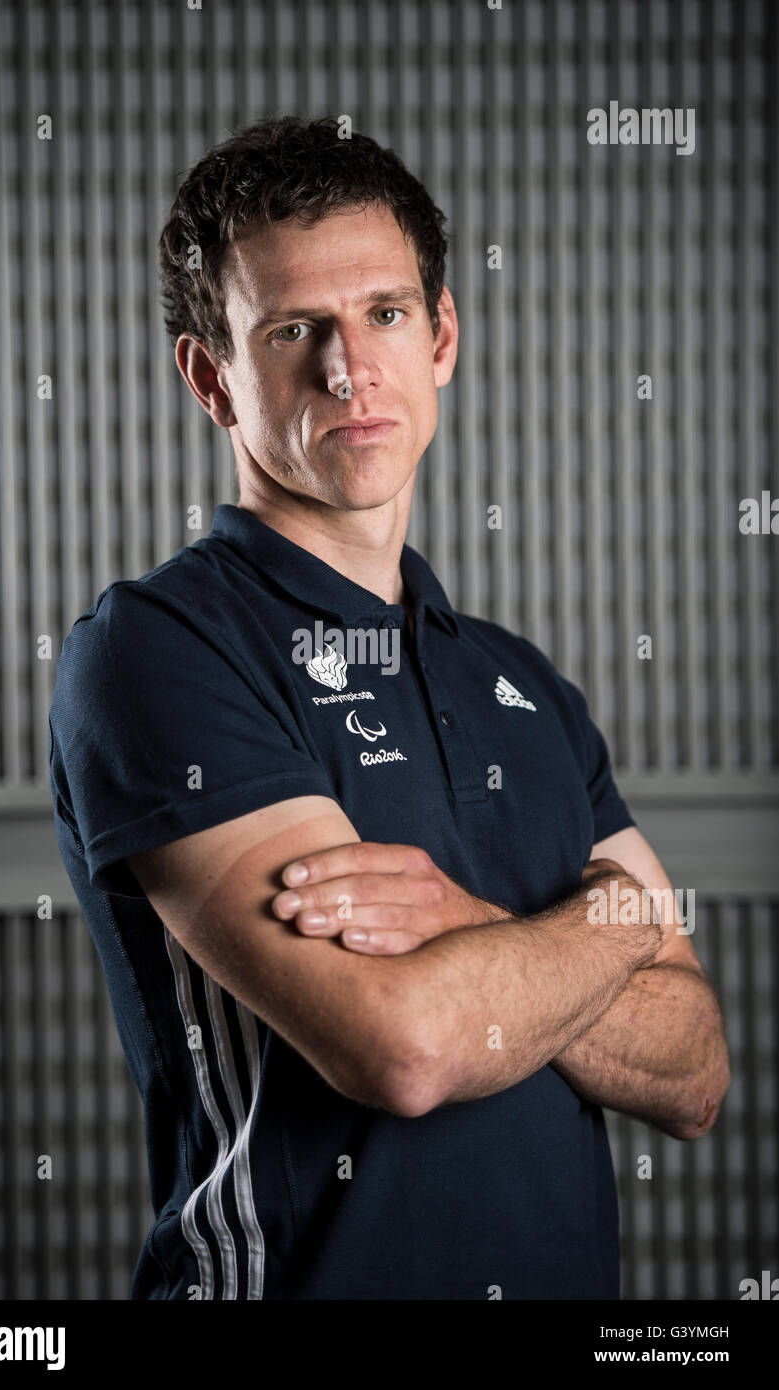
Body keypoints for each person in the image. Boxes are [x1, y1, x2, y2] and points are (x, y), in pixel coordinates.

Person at [48, 115, 730, 1301]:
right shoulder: (158, 649)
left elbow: (696, 1071)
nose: (348, 369)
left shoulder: (523, 684)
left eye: (386, 312)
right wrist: (619, 923)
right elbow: (405, 1047)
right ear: (212, 375)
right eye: (293, 328)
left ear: (443, 334)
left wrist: (470, 924)